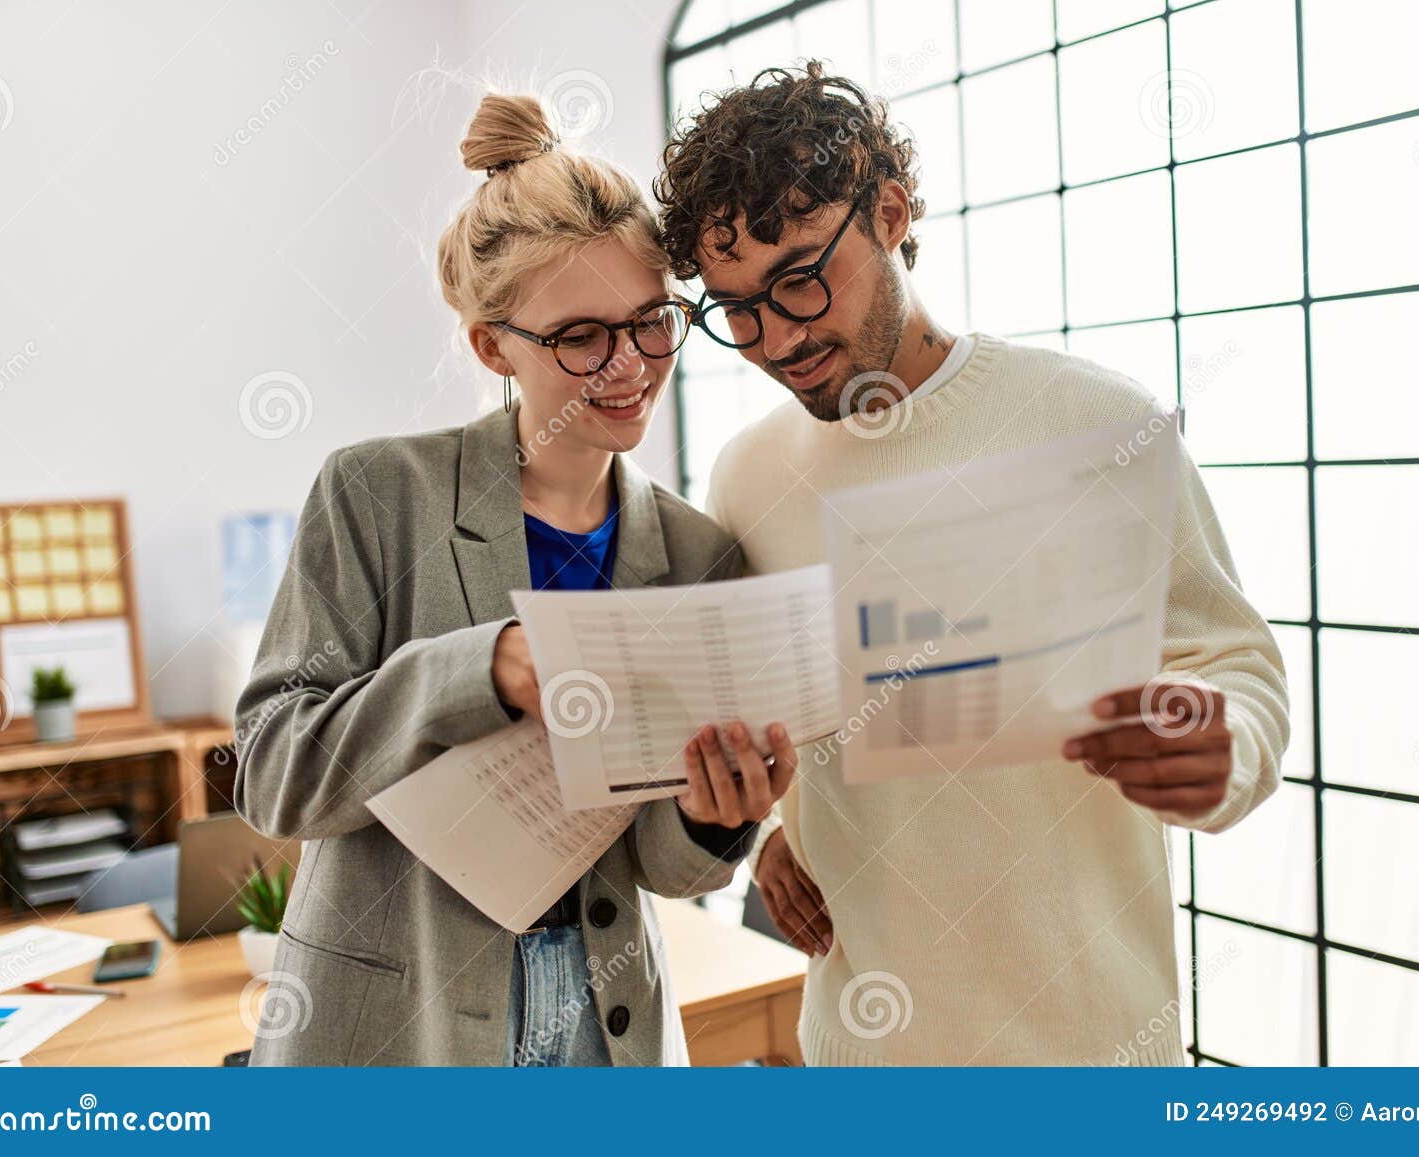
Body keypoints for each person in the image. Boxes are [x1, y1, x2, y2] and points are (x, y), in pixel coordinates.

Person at [654, 62, 1289, 1066]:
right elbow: (770, 708)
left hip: (1092, 1053)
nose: (775, 338)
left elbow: (1237, 668)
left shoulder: (1096, 422)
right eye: (734, 310)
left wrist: (1225, 746)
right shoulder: (747, 480)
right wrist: (773, 833)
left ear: (890, 211)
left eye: (799, 279)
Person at [233, 92, 798, 1067]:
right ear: (493, 345)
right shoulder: (377, 494)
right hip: (392, 1025)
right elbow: (274, 774)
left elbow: (660, 863)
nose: (628, 366)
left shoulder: (696, 553)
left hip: (603, 1015)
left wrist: (720, 808)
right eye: (581, 335)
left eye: (651, 321)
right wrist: (480, 668)